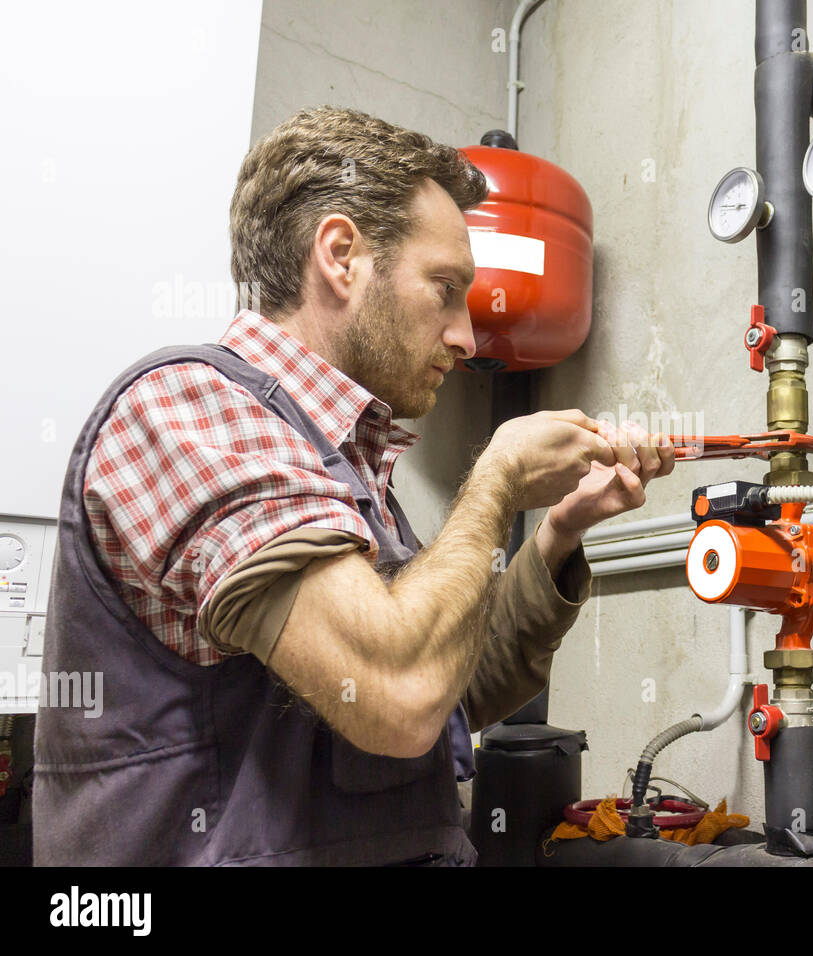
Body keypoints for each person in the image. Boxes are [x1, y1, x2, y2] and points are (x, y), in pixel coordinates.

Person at [33, 105, 674, 865]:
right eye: (445, 287)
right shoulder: (189, 411)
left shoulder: (337, 461)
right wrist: (497, 475)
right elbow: (397, 697)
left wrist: (559, 532)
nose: (467, 336)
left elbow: (446, 692)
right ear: (340, 256)